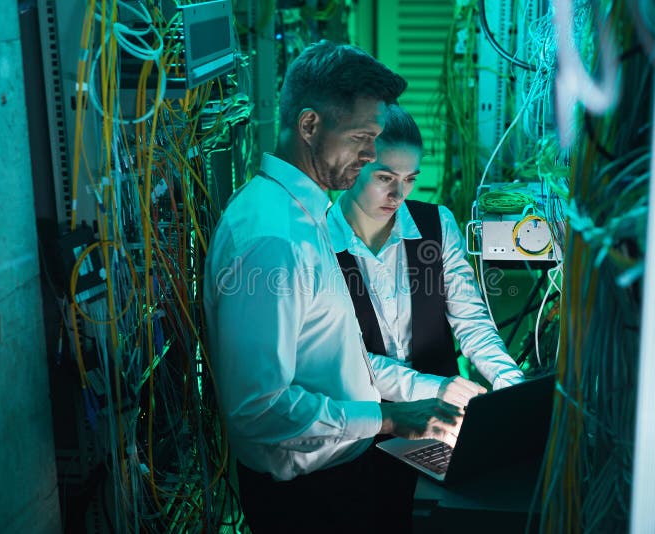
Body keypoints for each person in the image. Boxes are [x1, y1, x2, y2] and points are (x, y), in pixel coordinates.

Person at [203, 41, 473, 533]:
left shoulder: (302, 216)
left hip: (337, 478)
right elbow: (259, 409)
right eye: (361, 138)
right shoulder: (273, 238)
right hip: (308, 500)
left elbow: (332, 356)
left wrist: (422, 399)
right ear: (309, 125)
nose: (369, 154)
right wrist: (387, 420)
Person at [328, 105, 525, 403]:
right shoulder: (319, 241)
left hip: (444, 412)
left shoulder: (437, 225)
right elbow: (341, 358)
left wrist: (510, 381)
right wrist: (434, 388)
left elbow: (471, 322)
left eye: (409, 179)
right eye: (385, 178)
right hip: (365, 418)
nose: (399, 194)